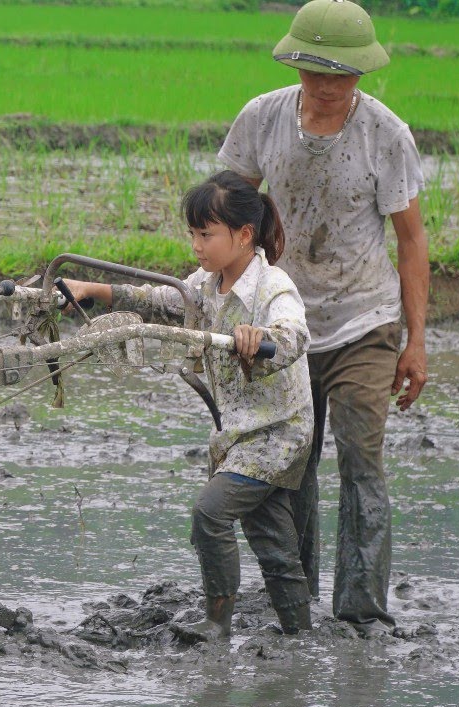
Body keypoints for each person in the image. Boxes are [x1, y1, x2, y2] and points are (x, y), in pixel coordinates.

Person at [217, 0, 430, 634]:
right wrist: (222, 303)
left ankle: (362, 611)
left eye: (341, 74)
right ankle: (296, 601)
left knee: (361, 461)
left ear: (361, 74)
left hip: (365, 321)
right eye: (315, 72)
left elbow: (411, 241)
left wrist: (416, 342)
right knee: (291, 459)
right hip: (285, 324)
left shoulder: (385, 134)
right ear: (297, 66)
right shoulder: (263, 118)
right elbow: (226, 216)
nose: (328, 87)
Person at [65, 170, 314, 640]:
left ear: (243, 235)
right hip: (239, 431)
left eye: (207, 234)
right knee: (274, 543)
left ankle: (217, 625)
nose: (197, 245)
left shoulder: (273, 287)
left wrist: (260, 338)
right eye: (193, 234)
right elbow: (161, 300)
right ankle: (300, 639)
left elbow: (294, 335)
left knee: (211, 511)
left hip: (278, 432)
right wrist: (93, 290)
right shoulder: (206, 282)